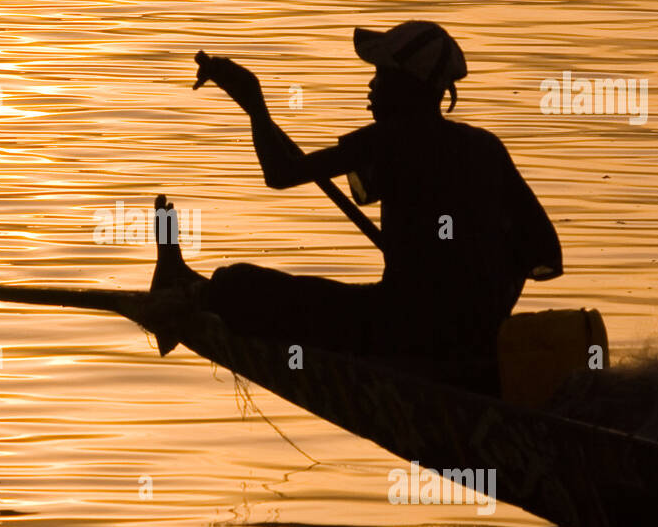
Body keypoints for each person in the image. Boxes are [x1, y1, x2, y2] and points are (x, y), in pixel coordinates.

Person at [176, 20, 562, 387]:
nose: (372, 86)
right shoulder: (486, 147)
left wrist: (254, 101)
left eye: (382, 75)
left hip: (399, 328)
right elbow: (545, 252)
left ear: (407, 87)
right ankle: (195, 287)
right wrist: (480, 308)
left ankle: (195, 293)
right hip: (471, 336)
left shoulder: (388, 140)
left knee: (238, 283)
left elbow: (280, 174)